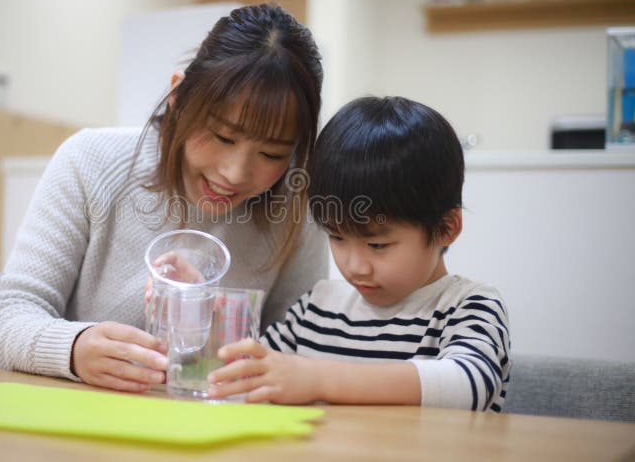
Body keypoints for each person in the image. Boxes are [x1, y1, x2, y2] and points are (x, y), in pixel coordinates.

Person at [0, 4, 327, 392]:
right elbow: (4, 318)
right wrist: (75, 349)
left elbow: (303, 350)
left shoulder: (297, 205)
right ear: (179, 98)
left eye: (272, 154)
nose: (235, 173)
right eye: (223, 137)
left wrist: (213, 332)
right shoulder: (90, 162)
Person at [207, 96, 511, 412]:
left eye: (377, 245)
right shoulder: (316, 308)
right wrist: (206, 310)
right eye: (337, 237)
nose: (354, 266)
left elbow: (468, 385)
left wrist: (319, 378)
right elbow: (245, 374)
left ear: (446, 228)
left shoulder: (468, 307)